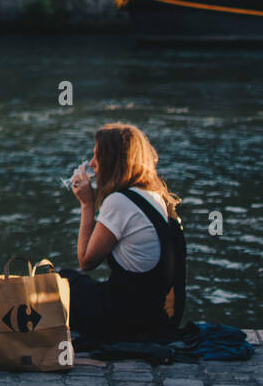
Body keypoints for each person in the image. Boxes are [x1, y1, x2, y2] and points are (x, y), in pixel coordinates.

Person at [61, 123, 186, 342]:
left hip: (126, 320)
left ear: (113, 161)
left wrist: (87, 204)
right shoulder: (156, 197)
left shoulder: (119, 201)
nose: (91, 164)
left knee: (60, 280)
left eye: (97, 156)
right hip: (159, 317)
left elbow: (86, 262)